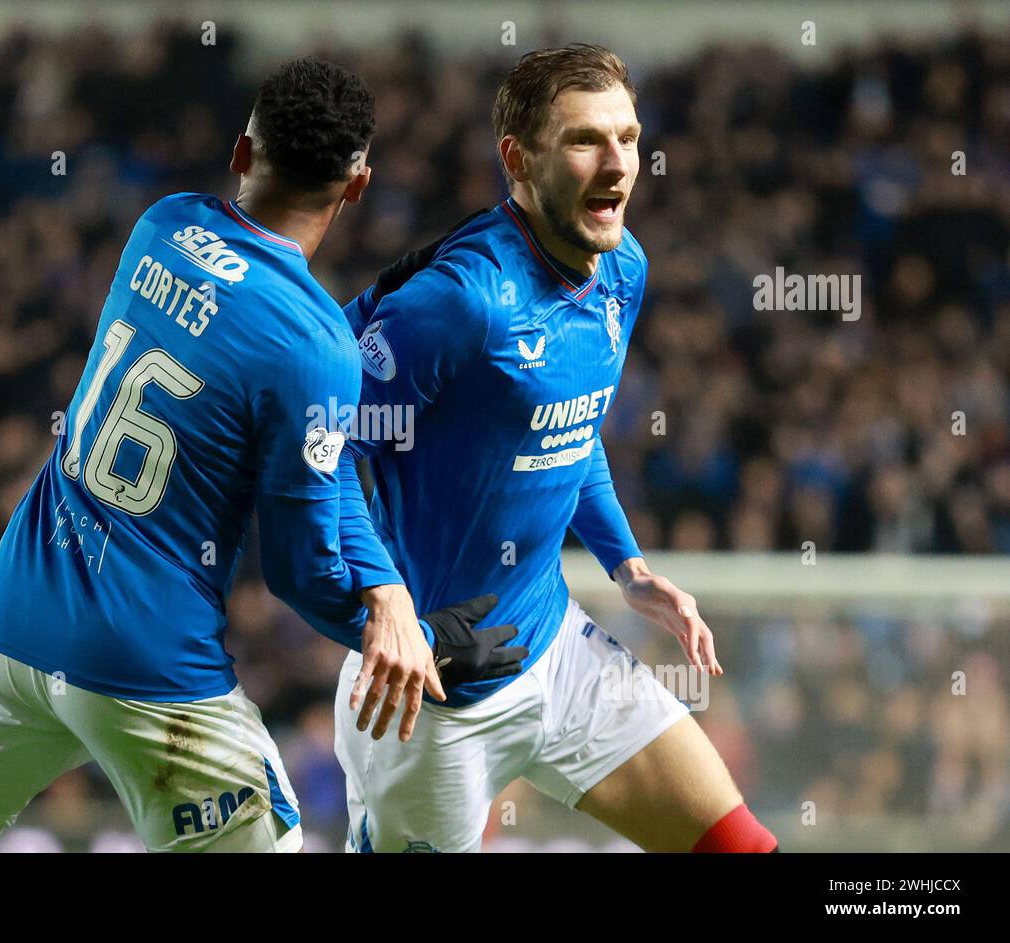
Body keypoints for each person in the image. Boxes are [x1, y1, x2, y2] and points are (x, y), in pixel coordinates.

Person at [0, 57, 521, 854]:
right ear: (357, 187)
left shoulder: (162, 224)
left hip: (13, 617)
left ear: (242, 153)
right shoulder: (314, 344)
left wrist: (387, 591)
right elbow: (299, 569)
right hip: (148, 664)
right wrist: (403, 638)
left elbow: (311, 451)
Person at [332, 45, 778, 853]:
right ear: (519, 158)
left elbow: (571, 425)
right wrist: (386, 605)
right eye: (584, 141)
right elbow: (317, 449)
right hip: (429, 698)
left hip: (556, 650)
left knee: (739, 846)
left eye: (629, 137)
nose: (617, 166)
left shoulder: (622, 269)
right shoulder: (461, 303)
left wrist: (627, 565)